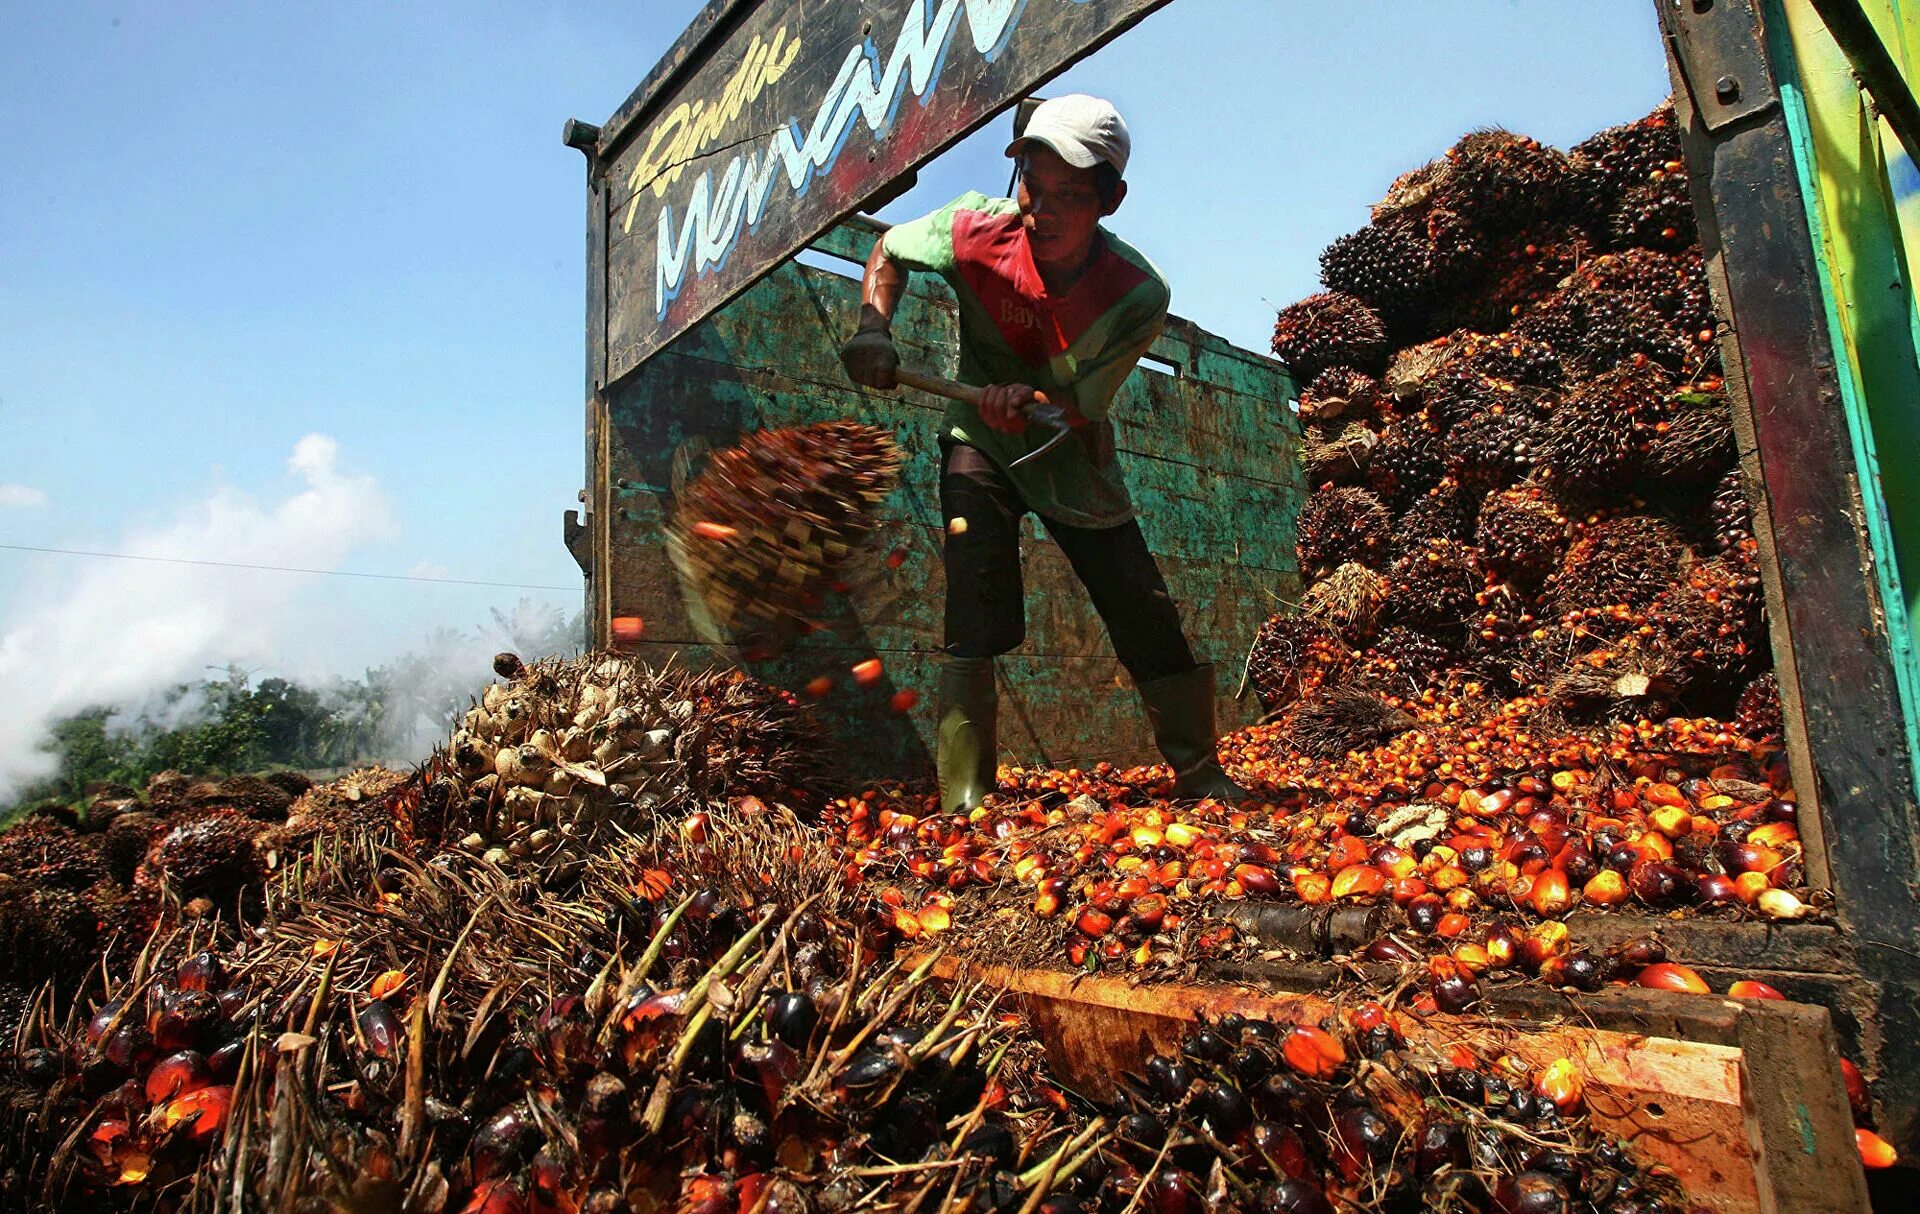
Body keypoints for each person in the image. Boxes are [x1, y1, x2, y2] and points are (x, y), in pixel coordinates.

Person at [839, 93, 1252, 812]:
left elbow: (1079, 410)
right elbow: (888, 250)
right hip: (980, 445)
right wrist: (874, 329)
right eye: (1033, 182)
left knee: (1142, 608)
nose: (1044, 208)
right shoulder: (972, 230)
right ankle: (965, 796)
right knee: (973, 601)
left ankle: (1200, 773)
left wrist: (1031, 405)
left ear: (1111, 201)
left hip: (1073, 459)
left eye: (1071, 194)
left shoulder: (1135, 295)